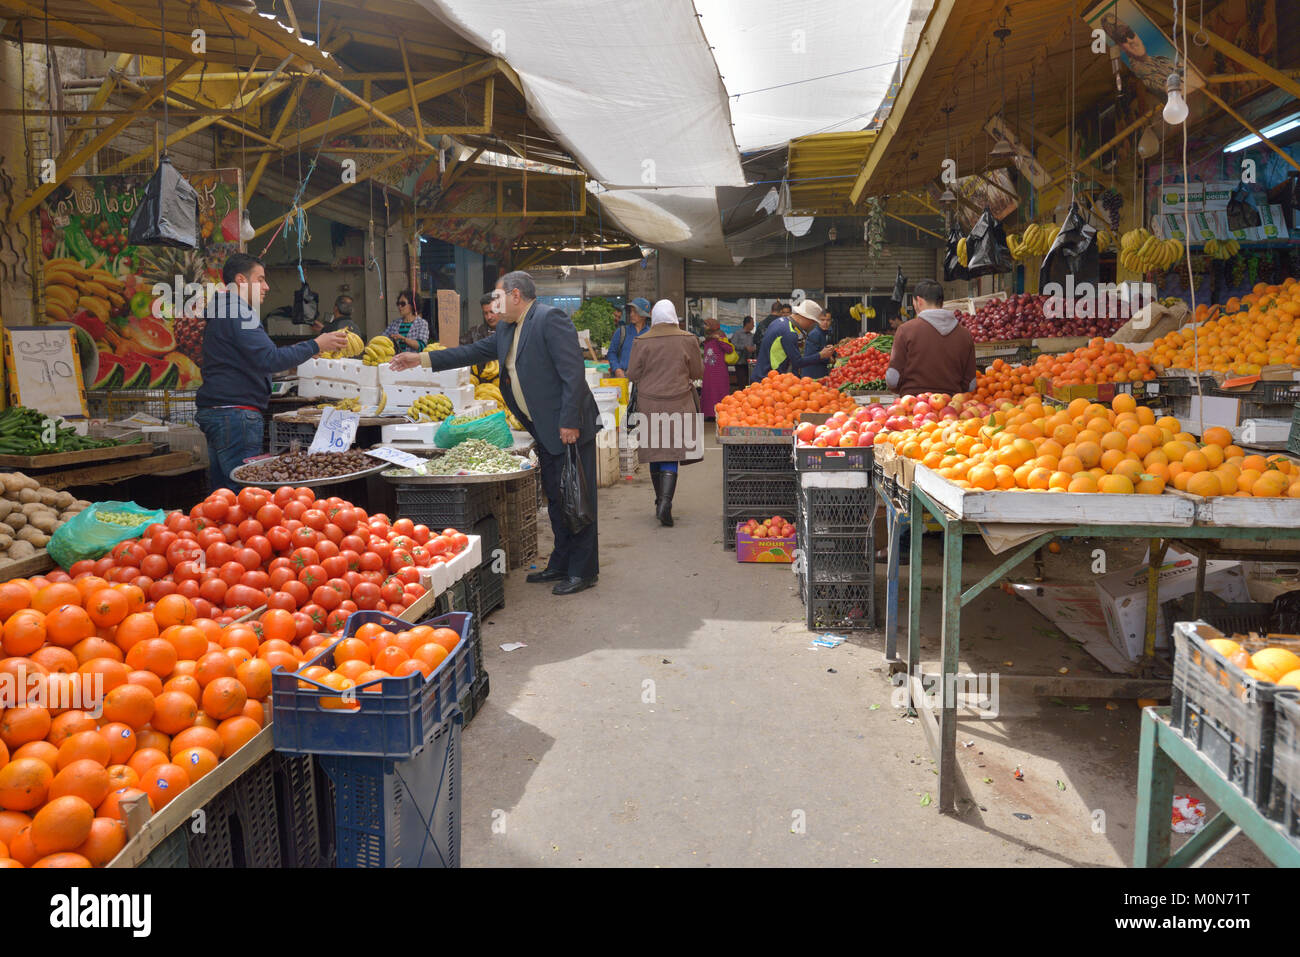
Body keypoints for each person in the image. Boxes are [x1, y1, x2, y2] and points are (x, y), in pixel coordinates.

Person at [389, 271, 601, 595]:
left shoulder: (549, 319)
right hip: (542, 428)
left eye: (498, 297)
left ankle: (583, 571)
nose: (494, 305)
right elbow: (470, 352)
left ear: (516, 295)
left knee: (577, 496)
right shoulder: (505, 329)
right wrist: (421, 358)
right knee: (557, 498)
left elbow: (573, 372)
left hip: (568, 427)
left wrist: (570, 422)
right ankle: (561, 562)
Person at [196, 253, 348, 490]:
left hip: (219, 412)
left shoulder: (223, 311)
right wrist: (316, 344)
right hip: (236, 416)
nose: (267, 287)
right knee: (240, 496)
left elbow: (252, 359)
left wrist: (303, 354)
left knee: (223, 497)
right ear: (241, 280)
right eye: (260, 279)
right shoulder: (238, 312)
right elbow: (269, 358)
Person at [880, 280, 977, 565]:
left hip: (914, 415)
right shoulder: (964, 335)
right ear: (943, 301)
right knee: (948, 471)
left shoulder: (907, 330)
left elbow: (892, 379)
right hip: (952, 416)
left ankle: (905, 544)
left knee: (906, 478)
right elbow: (970, 383)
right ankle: (949, 539)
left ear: (917, 301)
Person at [626, 300, 703, 526]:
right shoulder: (688, 339)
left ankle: (659, 499)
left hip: (650, 404)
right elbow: (698, 371)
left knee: (654, 452)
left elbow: (632, 374)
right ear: (673, 316)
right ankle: (665, 502)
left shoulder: (641, 341)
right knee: (671, 452)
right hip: (679, 402)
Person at [754, 298, 834, 378]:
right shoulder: (789, 332)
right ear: (804, 317)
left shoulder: (779, 322)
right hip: (768, 379)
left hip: (762, 374)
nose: (811, 325)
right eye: (812, 322)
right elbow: (798, 362)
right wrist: (821, 355)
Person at [607, 298, 651, 378]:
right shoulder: (622, 331)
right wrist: (617, 369)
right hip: (623, 377)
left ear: (644, 316)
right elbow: (611, 353)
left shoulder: (651, 334)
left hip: (644, 380)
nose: (631, 314)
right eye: (631, 311)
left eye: (635, 312)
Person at [699, 318, 731, 418]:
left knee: (718, 391)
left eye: (707, 325)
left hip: (718, 370)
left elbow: (729, 349)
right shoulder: (708, 337)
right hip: (708, 370)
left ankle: (719, 413)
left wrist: (719, 340)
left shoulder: (720, 335)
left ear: (713, 325)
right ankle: (709, 414)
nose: (705, 327)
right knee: (708, 391)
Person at [382, 289, 430, 353]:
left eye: (403, 303)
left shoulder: (422, 324)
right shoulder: (394, 323)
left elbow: (421, 346)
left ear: (412, 305)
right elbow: (382, 339)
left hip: (413, 361)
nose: (399, 306)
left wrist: (403, 339)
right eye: (398, 304)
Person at [801, 307, 834, 379]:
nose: (825, 322)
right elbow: (812, 356)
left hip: (819, 372)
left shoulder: (826, 332)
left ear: (831, 321)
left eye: (828, 320)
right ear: (817, 320)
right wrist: (829, 359)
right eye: (822, 320)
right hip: (812, 374)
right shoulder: (815, 334)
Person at [731, 316, 755, 389]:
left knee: (749, 382)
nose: (753, 326)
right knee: (741, 382)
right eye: (752, 324)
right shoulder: (737, 334)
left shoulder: (752, 335)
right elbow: (733, 345)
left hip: (749, 363)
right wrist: (744, 347)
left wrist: (753, 349)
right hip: (739, 362)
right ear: (747, 324)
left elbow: (754, 345)